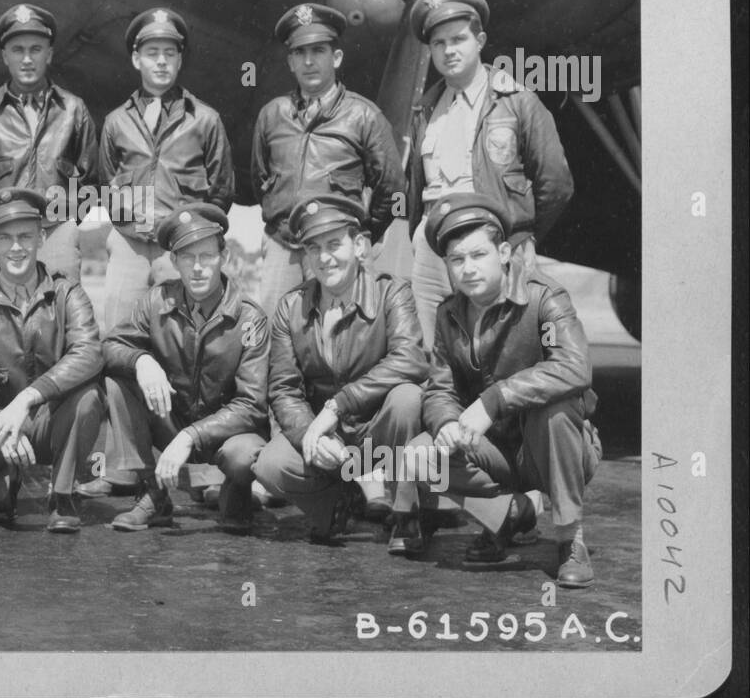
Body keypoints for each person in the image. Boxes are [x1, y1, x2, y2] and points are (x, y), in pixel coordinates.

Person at [391, 193, 600, 588]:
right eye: (457, 260)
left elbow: (575, 366)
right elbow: (439, 389)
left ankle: (571, 538)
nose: (468, 269)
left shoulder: (542, 297)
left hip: (553, 446)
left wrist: (494, 400)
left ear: (504, 252)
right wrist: (447, 422)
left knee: (554, 409)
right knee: (419, 456)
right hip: (495, 452)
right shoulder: (449, 314)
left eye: (478, 255)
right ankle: (507, 515)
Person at [87, 6, 234, 497]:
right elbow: (106, 182)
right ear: (135, 58)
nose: (161, 62)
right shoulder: (113, 123)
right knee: (118, 347)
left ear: (179, 60)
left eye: (170, 53)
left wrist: (189, 237)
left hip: (180, 249)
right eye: (151, 53)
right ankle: (125, 466)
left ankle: (211, 470)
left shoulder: (205, 120)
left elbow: (221, 192)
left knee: (203, 350)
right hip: (128, 246)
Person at [254, 193, 428, 543]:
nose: (324, 258)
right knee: (269, 465)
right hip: (328, 438)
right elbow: (283, 389)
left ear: (360, 246)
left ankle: (407, 511)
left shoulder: (392, 293)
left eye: (334, 244)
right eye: (314, 249)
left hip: (375, 432)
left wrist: (339, 405)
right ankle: (337, 502)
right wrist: (311, 436)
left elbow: (410, 359)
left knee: (408, 399)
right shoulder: (291, 307)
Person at [405, 0, 573, 344]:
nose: (449, 50)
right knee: (437, 356)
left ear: (479, 40)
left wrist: (517, 235)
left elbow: (556, 182)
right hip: (433, 253)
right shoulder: (426, 109)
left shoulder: (518, 101)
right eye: (439, 43)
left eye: (458, 39)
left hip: (494, 249)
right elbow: (416, 186)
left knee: (505, 352)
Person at [0, 188, 104, 533]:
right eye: (6, 237)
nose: (16, 247)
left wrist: (27, 399)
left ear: (42, 238)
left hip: (47, 420)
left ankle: (63, 494)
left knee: (88, 400)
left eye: (26, 236)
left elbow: (89, 352)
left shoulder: (67, 293)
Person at [101, 204, 270, 532]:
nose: (197, 268)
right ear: (174, 262)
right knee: (119, 380)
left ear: (225, 256)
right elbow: (108, 347)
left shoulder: (250, 318)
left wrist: (192, 436)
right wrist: (142, 361)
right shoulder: (156, 301)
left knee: (244, 453)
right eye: (187, 257)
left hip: (225, 435)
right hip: (171, 421)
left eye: (206, 256)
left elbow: (252, 404)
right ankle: (152, 493)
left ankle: (236, 492)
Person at [251, 3, 404, 315]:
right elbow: (260, 180)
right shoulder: (272, 115)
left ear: (336, 57)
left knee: (344, 336)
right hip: (283, 249)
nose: (309, 61)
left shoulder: (364, 116)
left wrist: (360, 232)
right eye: (300, 52)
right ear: (291, 61)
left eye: (318, 50)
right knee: (271, 332)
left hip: (338, 250)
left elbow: (394, 188)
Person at [0, 3, 99, 281]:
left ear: (49, 55)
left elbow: (90, 182)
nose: (27, 59)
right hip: (0, 235)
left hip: (56, 235)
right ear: (5, 56)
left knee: (60, 319)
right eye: (18, 50)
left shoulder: (74, 109)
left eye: (35, 49)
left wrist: (65, 225)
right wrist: (1, 221)